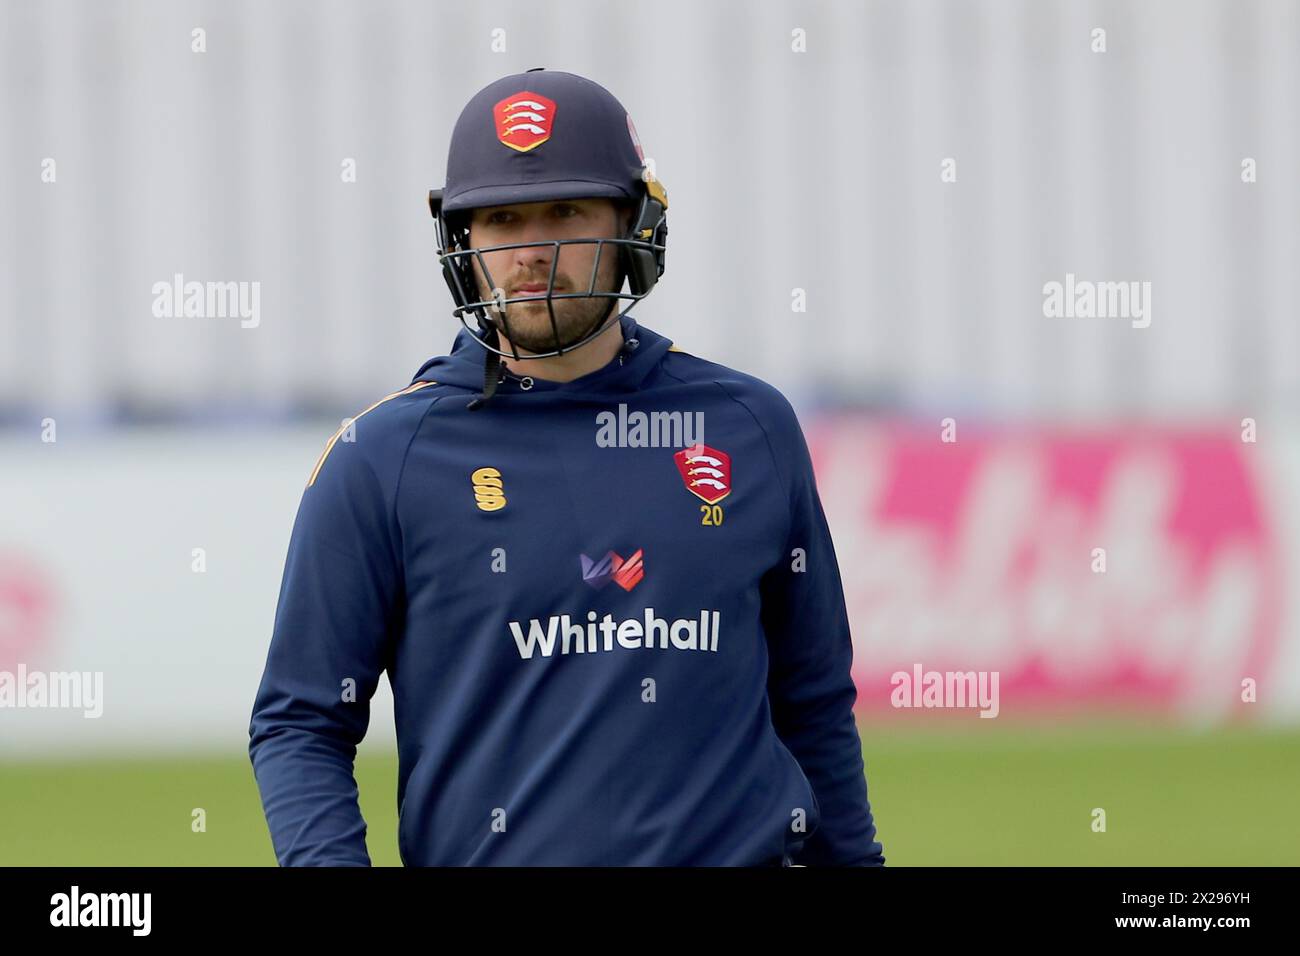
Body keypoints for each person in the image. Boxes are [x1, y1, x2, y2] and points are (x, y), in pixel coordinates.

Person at [248, 68, 884, 866]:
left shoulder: (751, 426)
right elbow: (301, 724)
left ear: (633, 222)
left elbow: (814, 703)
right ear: (462, 242)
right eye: (503, 219)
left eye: (565, 212)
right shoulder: (379, 461)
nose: (533, 250)